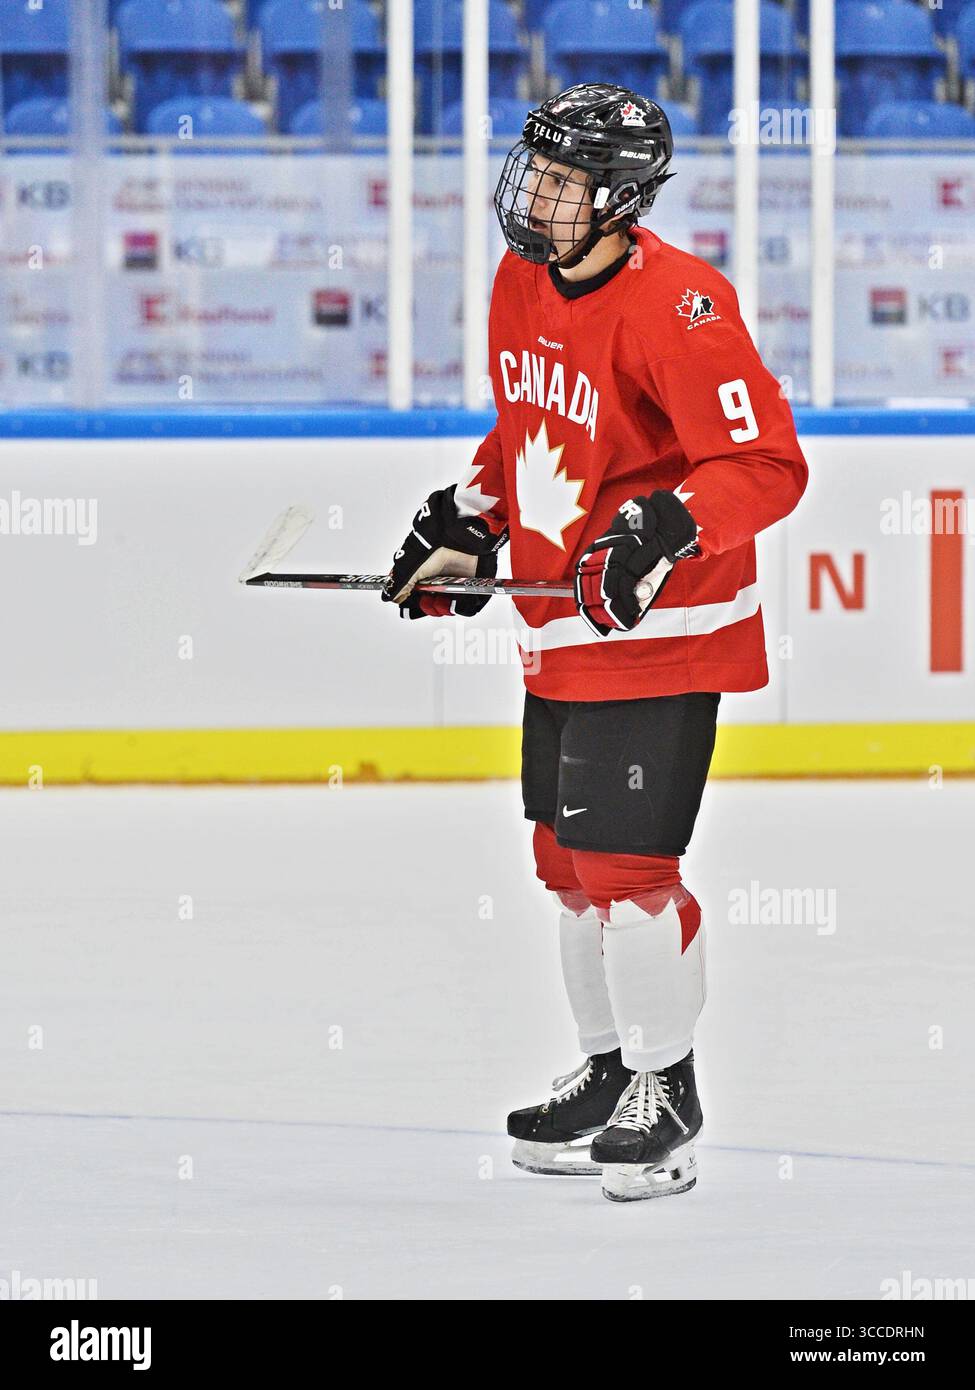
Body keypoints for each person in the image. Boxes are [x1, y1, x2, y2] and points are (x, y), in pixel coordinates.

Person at [383, 82, 807, 1202]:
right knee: (567, 870)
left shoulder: (683, 305)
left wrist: (663, 525)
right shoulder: (520, 282)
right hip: (561, 627)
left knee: (630, 871)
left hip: (667, 633)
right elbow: (534, 427)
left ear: (622, 198)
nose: (541, 196)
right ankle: (613, 1066)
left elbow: (763, 466)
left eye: (568, 181)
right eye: (539, 171)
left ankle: (667, 1092)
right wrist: (468, 522)